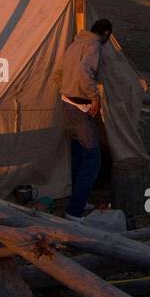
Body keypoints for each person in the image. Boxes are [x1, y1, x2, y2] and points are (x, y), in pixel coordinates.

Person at [58, 18, 112, 220]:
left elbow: (64, 71)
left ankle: (78, 200)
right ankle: (74, 212)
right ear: (106, 34)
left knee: (79, 155)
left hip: (66, 103)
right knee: (93, 159)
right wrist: (95, 97)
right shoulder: (94, 46)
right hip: (79, 108)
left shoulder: (76, 43)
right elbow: (84, 72)